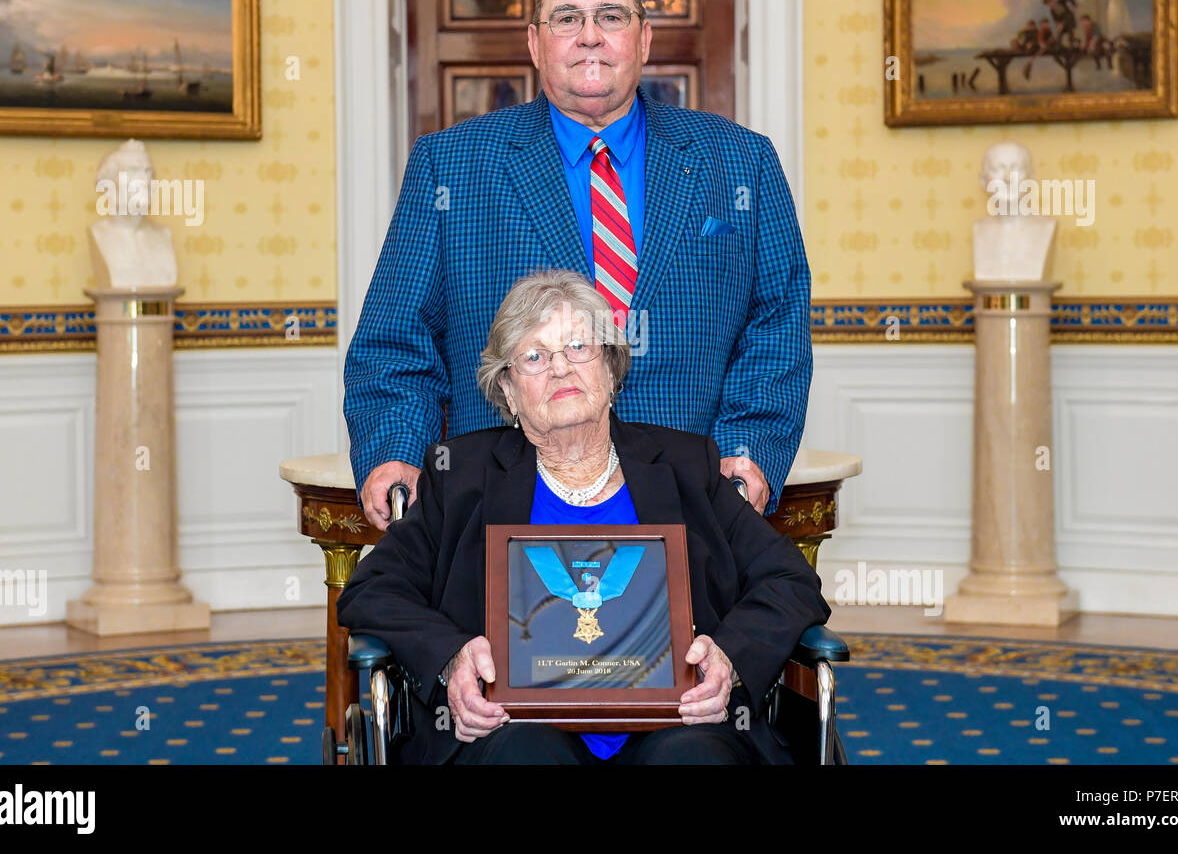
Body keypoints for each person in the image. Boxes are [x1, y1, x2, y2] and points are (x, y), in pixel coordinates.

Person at [345, 0, 811, 529]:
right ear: (536, 43)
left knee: (699, 627)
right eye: (567, 19)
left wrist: (749, 446)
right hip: (507, 500)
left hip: (695, 499)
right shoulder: (451, 165)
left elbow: (777, 324)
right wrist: (395, 450)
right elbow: (395, 338)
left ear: (643, 39)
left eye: (611, 17)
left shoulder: (742, 161)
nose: (590, 36)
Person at [336, 271, 830, 764]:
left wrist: (728, 657)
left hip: (676, 721)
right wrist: (452, 658)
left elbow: (790, 580)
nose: (559, 369)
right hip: (515, 725)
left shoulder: (685, 465)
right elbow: (373, 588)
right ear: (508, 391)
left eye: (578, 347)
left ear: (611, 369)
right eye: (534, 357)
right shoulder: (462, 476)